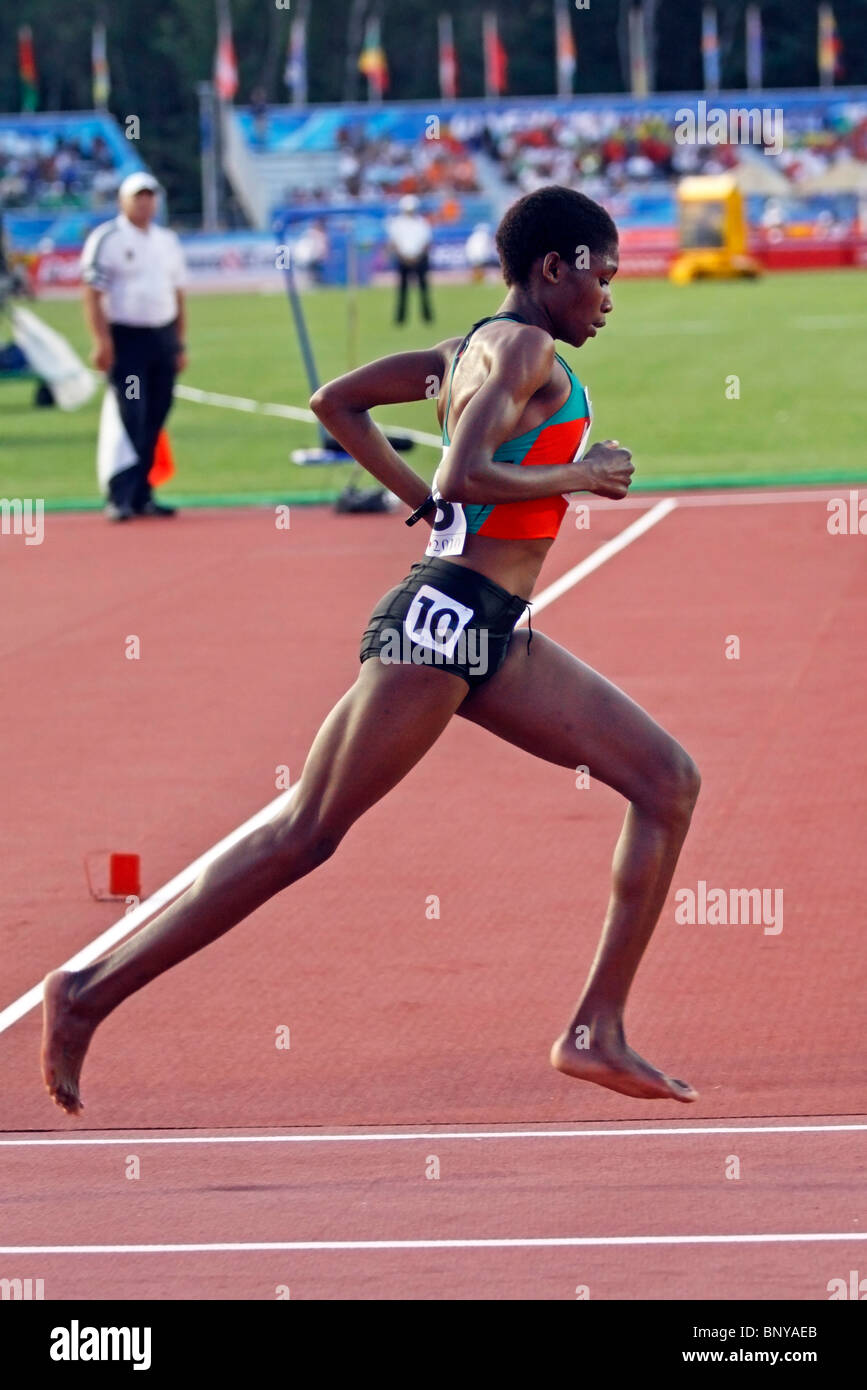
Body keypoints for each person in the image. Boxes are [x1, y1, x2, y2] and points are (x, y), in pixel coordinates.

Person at [42, 185, 701, 1115]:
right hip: (444, 621)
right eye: (603, 275)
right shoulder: (522, 347)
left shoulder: (460, 349)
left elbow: (335, 402)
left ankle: (596, 1028)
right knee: (302, 833)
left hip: (488, 627)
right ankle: (86, 992)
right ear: (553, 268)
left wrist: (424, 508)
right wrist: (576, 476)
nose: (607, 296)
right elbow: (462, 471)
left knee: (665, 780)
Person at [80, 171, 188, 522]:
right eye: (137, 196)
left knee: (157, 414)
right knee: (131, 415)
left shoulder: (167, 240)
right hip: (127, 340)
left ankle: (143, 493)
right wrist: (101, 341)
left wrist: (179, 343)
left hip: (162, 339)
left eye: (150, 196)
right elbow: (93, 295)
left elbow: (178, 293)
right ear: (123, 201)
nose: (145, 202)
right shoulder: (107, 238)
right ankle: (119, 494)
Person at [385, 193, 433, 325]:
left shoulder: (421, 222)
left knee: (423, 290)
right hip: (403, 259)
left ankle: (427, 316)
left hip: (419, 259)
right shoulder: (397, 223)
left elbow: (426, 242)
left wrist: (417, 256)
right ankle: (401, 318)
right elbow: (394, 243)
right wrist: (404, 256)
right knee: (402, 290)